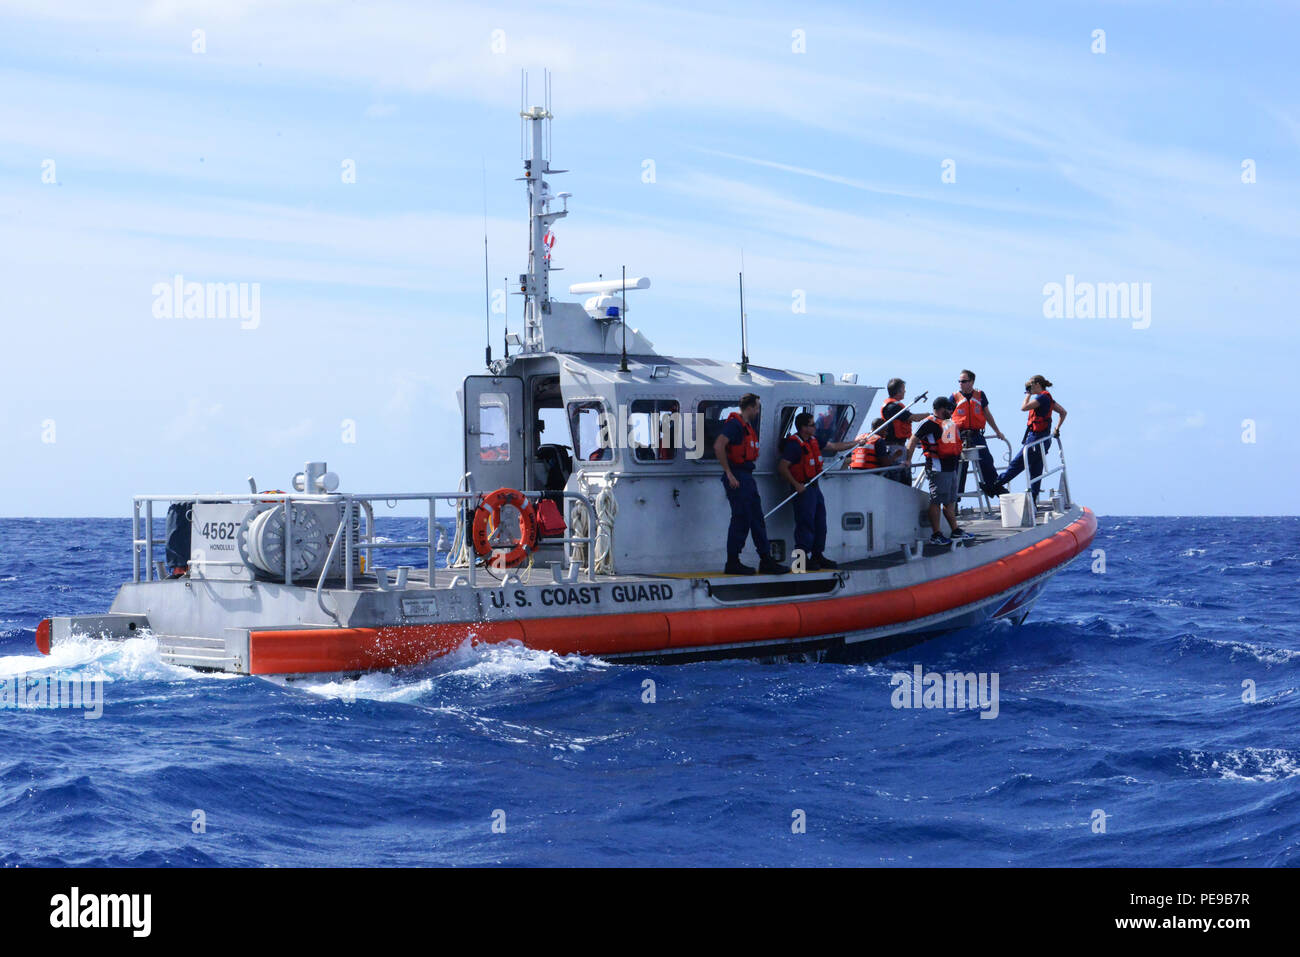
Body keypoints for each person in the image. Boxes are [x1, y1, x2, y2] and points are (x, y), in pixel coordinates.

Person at [714, 393, 789, 575]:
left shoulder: (747, 426)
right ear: (750, 408)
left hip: (747, 476)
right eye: (757, 407)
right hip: (738, 475)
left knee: (756, 519)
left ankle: (766, 560)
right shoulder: (735, 425)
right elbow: (719, 445)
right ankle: (733, 562)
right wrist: (729, 473)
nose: (758, 410)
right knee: (741, 519)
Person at [778, 411, 863, 571]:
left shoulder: (814, 440)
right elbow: (783, 467)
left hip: (814, 488)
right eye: (811, 425)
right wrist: (796, 484)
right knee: (805, 524)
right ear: (803, 428)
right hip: (803, 490)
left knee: (820, 523)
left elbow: (835, 446)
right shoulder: (794, 445)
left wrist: (856, 443)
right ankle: (800, 563)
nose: (815, 427)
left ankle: (817, 555)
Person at [906, 397, 974, 545]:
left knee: (950, 500)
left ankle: (955, 530)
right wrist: (908, 460)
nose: (951, 411)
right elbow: (913, 440)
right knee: (936, 500)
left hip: (951, 468)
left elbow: (951, 446)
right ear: (941, 409)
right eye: (949, 409)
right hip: (938, 469)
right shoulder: (928, 423)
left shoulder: (948, 424)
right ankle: (936, 534)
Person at [995, 375, 1067, 502]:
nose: (1029, 389)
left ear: (1037, 384)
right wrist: (1056, 428)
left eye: (1030, 386)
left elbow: (1024, 408)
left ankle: (995, 485)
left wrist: (1027, 394)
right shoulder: (1047, 398)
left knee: (1017, 464)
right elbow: (1063, 412)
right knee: (1035, 470)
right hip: (1042, 440)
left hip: (1036, 439)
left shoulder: (1042, 397)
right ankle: (1033, 499)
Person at [951, 369, 1007, 498]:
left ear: (972, 382)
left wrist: (997, 431)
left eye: (964, 381)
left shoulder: (980, 395)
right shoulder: (954, 397)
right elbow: (946, 419)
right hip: (960, 437)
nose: (961, 384)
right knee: (959, 468)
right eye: (959, 381)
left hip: (976, 435)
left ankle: (994, 487)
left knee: (987, 461)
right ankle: (955, 500)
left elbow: (987, 414)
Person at [879, 378, 927, 486]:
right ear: (898, 391)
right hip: (895, 447)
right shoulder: (893, 407)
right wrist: (929, 415)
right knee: (899, 479)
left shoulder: (893, 406)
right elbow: (913, 417)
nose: (905, 391)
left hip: (898, 446)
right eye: (903, 389)